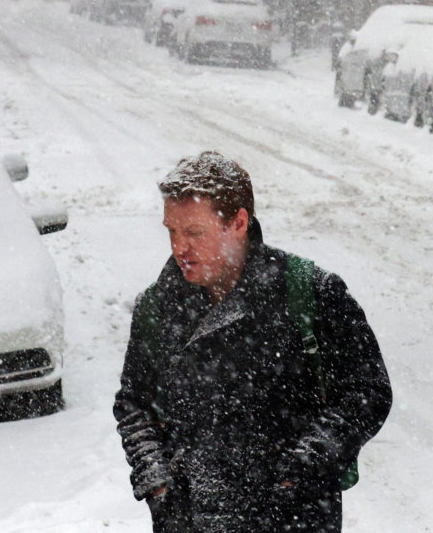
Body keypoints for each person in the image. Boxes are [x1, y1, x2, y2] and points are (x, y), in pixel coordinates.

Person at [115, 150, 392, 533]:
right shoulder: (158, 307)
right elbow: (134, 404)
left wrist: (303, 468)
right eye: (172, 231)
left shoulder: (310, 292)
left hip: (294, 517)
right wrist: (159, 485)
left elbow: (367, 392)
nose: (180, 248)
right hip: (190, 518)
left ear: (239, 223)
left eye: (195, 232)